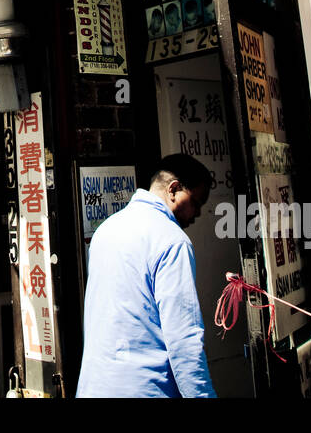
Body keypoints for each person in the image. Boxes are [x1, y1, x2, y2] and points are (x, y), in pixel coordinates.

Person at [77, 154, 216, 398]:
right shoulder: (172, 241)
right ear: (173, 189)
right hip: (146, 389)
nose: (198, 214)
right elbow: (184, 340)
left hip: (94, 387)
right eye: (195, 202)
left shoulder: (106, 230)